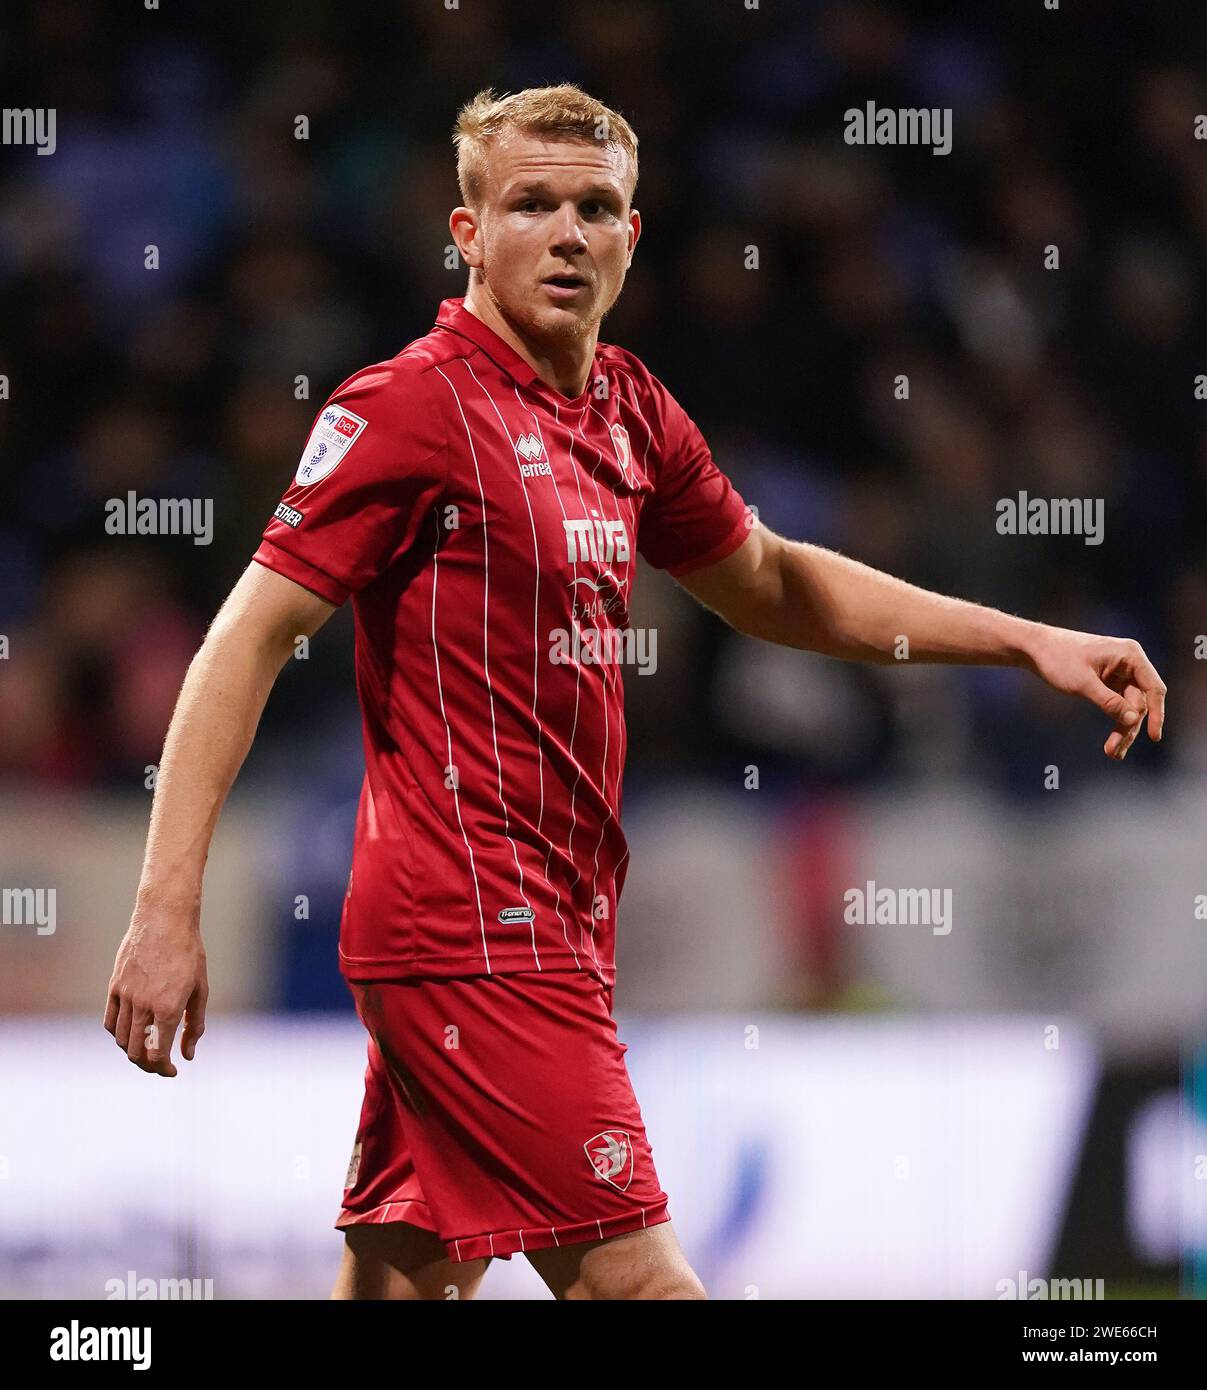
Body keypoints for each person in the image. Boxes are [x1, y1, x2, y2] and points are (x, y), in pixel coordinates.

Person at [104, 84, 1167, 1301]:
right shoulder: (408, 408)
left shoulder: (627, 406)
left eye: (594, 208)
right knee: (640, 1283)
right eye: (531, 206)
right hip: (467, 927)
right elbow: (243, 639)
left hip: (555, 921)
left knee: (405, 1282)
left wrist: (1026, 641)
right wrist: (164, 908)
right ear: (466, 234)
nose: (565, 233)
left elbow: (771, 582)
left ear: (631, 235)